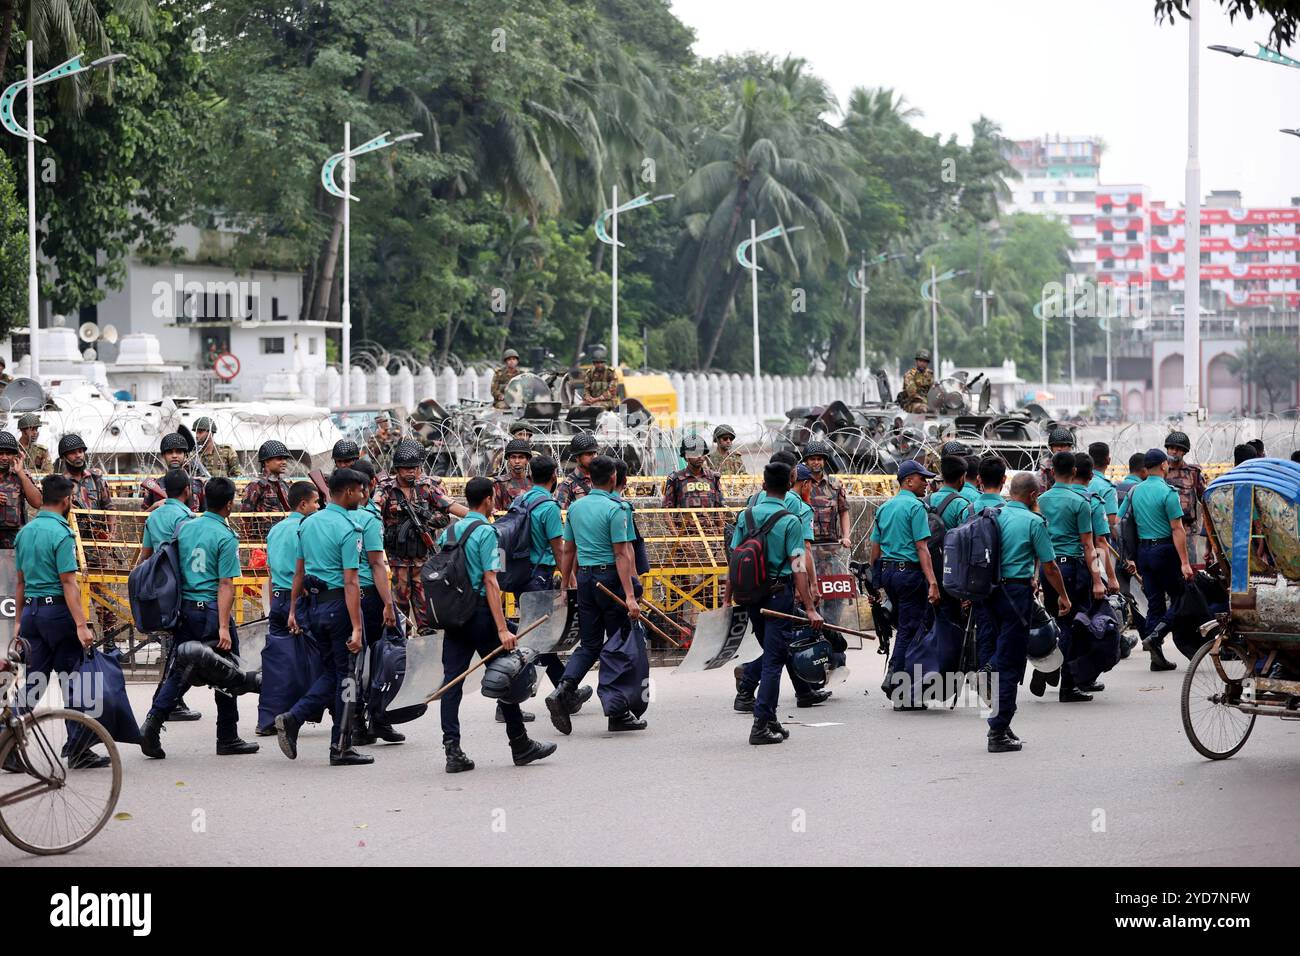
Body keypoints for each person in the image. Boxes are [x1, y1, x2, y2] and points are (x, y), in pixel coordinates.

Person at [436, 477, 557, 773]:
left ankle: (452, 750)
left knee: (452, 681)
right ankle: (520, 744)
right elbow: (491, 581)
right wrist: (502, 628)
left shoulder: (448, 531)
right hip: (479, 614)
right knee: (507, 674)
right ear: (489, 499)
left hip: (453, 615)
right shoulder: (487, 532)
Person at [141, 477, 259, 759]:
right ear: (230, 504)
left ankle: (152, 724)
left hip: (185, 610)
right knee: (228, 671)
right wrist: (223, 626)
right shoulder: (225, 536)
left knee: (180, 671)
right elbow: (225, 585)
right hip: (210, 611)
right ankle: (227, 736)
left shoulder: (185, 528)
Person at [11, 475, 111, 769]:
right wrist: (81, 624)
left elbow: (19, 583)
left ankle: (6, 744)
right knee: (77, 681)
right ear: (66, 500)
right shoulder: (62, 534)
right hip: (56, 614)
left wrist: (19, 622)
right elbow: (68, 582)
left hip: (31, 613)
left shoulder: (25, 533)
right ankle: (79, 748)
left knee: (34, 682)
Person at [276, 468, 372, 766]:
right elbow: (352, 581)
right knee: (347, 678)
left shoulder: (308, 524)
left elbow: (299, 571)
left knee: (332, 673)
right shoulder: (349, 528)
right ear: (347, 493)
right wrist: (357, 627)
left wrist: (293, 610)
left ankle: (296, 719)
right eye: (359, 490)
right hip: (339, 608)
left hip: (314, 609)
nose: (362, 495)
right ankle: (340, 746)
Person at [725, 462, 824, 745]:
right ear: (792, 480)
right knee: (773, 661)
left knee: (771, 653)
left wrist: (726, 597)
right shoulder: (790, 521)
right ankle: (760, 723)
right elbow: (798, 567)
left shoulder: (747, 515)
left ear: (764, 484)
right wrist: (809, 607)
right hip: (778, 595)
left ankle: (770, 719)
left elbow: (734, 558)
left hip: (750, 595)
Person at [545, 455, 643, 735]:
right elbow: (622, 553)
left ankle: (562, 691)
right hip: (611, 578)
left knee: (589, 645)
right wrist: (630, 596)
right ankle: (617, 711)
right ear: (613, 478)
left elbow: (568, 549)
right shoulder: (617, 508)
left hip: (586, 579)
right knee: (617, 644)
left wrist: (566, 585)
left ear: (590, 479)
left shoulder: (576, 508)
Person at [986, 473, 1073, 753]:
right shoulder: (1034, 522)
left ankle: (1000, 716)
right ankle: (998, 731)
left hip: (988, 594)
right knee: (1010, 662)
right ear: (1034, 496)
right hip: (1015, 594)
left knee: (1001, 653)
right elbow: (1050, 566)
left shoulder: (993, 515)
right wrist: (1063, 595)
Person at [506, 455, 593, 722]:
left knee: (541, 641)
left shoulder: (519, 500)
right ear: (554, 476)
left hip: (520, 576)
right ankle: (507, 698)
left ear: (530, 476)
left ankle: (567, 692)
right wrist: (569, 582)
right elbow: (559, 548)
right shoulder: (549, 507)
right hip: (539, 578)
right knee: (536, 642)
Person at [375, 439, 466, 632]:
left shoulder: (427, 487)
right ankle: (401, 642)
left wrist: (476, 516)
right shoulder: (386, 489)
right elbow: (373, 511)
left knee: (425, 606)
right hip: (397, 559)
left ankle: (426, 640)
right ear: (397, 469)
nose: (411, 472)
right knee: (399, 604)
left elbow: (449, 507)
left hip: (423, 557)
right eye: (406, 468)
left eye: (414, 468)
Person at [1033, 451, 1103, 702]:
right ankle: (1067, 685)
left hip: (1049, 568)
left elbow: (1035, 540)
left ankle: (1047, 664)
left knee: (1054, 620)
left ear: (1052, 472)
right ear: (1074, 472)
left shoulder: (1040, 500)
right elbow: (1088, 545)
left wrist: (1035, 574)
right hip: (1073, 569)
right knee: (1075, 625)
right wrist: (1097, 579)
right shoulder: (1080, 502)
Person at [136, 468, 203, 725]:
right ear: (188, 490)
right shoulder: (187, 517)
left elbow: (146, 553)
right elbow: (189, 553)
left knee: (175, 642)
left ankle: (172, 699)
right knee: (182, 646)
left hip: (160, 585)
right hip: (182, 586)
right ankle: (167, 700)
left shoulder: (154, 518)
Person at [870, 460, 941, 695]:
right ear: (909, 481)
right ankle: (894, 677)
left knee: (904, 626)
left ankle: (902, 679)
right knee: (909, 628)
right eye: (923, 479)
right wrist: (932, 581)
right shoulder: (915, 507)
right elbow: (922, 548)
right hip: (909, 574)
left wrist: (876, 582)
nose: (927, 483)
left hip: (889, 573)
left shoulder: (885, 508)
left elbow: (875, 550)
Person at [258, 480, 319, 737]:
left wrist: (275, 604)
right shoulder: (306, 529)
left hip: (279, 598)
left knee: (277, 662)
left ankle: (267, 719)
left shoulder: (275, 530)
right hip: (299, 600)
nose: (318, 506)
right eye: (315, 502)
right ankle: (301, 712)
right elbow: (304, 571)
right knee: (311, 659)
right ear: (303, 504)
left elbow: (271, 571)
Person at [1124, 448, 1194, 672]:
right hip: (1164, 550)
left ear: (1146, 468)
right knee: (1181, 597)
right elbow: (1177, 529)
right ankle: (1157, 636)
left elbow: (1119, 522)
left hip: (1144, 552)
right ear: (1164, 466)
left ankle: (1157, 657)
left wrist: (1130, 555)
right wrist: (1184, 562)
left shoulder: (1135, 491)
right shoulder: (1168, 492)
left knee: (1154, 604)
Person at [349, 458, 402, 745]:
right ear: (370, 484)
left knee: (353, 661)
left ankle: (355, 722)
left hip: (342, 594)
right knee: (380, 658)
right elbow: (377, 564)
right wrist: (389, 604)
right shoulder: (368, 518)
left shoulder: (330, 516)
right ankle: (378, 718)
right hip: (369, 594)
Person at [970, 455, 1007, 671]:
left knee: (984, 630)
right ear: (1003, 480)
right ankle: (998, 676)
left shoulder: (969, 509)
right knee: (1006, 630)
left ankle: (986, 685)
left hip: (977, 580)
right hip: (1005, 580)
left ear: (979, 480)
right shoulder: (1009, 511)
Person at [56, 434, 114, 540]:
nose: (78, 455)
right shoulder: (59, 483)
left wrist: (111, 535)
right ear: (64, 457)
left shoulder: (96, 479)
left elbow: (110, 509)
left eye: (80, 451)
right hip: (70, 541)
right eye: (73, 453)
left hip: (97, 544)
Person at [141, 433, 207, 512]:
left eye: (179, 452)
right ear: (163, 456)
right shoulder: (154, 485)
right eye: (169, 452)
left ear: (185, 455)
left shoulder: (198, 485)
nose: (174, 456)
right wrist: (155, 506)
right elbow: (141, 518)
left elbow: (207, 517)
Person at [0, 431, 40, 547]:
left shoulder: (21, 476)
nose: (4, 458)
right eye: (1, 453)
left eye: (8, 454)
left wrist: (21, 474)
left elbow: (37, 502)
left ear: (15, 455)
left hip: (14, 542)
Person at [1163, 430, 1206, 537]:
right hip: (1165, 529)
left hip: (1188, 530)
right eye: (1171, 448)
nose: (1174, 452)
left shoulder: (1193, 473)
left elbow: (1205, 499)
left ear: (1184, 452)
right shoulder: (1161, 471)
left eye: (1178, 449)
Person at [662, 435, 723, 509]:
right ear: (686, 457)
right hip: (684, 520)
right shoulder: (675, 478)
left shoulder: (713, 477)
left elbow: (720, 508)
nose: (700, 457)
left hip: (709, 520)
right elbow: (667, 509)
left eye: (702, 453)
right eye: (695, 453)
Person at [240, 440, 291, 512]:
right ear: (267, 461)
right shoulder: (256, 485)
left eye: (285, 459)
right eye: (279, 459)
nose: (284, 462)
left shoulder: (284, 484)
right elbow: (245, 515)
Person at [555, 434, 599, 507]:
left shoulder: (603, 479)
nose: (593, 457)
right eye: (589, 454)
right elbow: (562, 513)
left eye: (595, 453)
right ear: (577, 457)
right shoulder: (566, 486)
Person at [493, 438, 533, 511]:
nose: (517, 461)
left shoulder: (534, 482)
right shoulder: (499, 484)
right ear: (508, 459)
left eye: (521, 457)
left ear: (527, 460)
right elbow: (496, 513)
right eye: (513, 457)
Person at [580, 345, 619, 410]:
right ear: (594, 363)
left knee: (594, 407)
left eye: (601, 362)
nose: (599, 365)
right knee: (578, 408)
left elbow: (611, 392)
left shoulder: (611, 373)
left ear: (605, 362)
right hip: (592, 401)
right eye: (597, 362)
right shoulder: (590, 374)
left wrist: (595, 400)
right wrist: (588, 397)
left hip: (609, 402)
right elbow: (586, 389)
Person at [1038, 427, 1076, 492]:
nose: (1059, 449)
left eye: (1063, 445)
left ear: (1070, 447)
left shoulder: (1077, 463)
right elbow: (1040, 489)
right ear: (1051, 448)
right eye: (1056, 445)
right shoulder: (1045, 467)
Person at [898, 349, 934, 413]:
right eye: (920, 361)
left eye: (925, 361)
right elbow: (912, 394)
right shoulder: (910, 375)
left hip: (927, 403)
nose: (922, 363)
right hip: (911, 403)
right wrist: (926, 402)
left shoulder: (929, 374)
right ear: (916, 361)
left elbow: (933, 390)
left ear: (927, 363)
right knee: (923, 409)